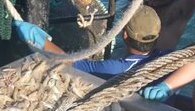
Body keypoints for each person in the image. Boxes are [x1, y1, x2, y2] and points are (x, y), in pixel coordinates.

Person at [13, 5, 167, 80]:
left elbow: (68, 62)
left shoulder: (116, 68)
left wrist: (38, 39)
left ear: (124, 35)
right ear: (158, 35)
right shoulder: (168, 58)